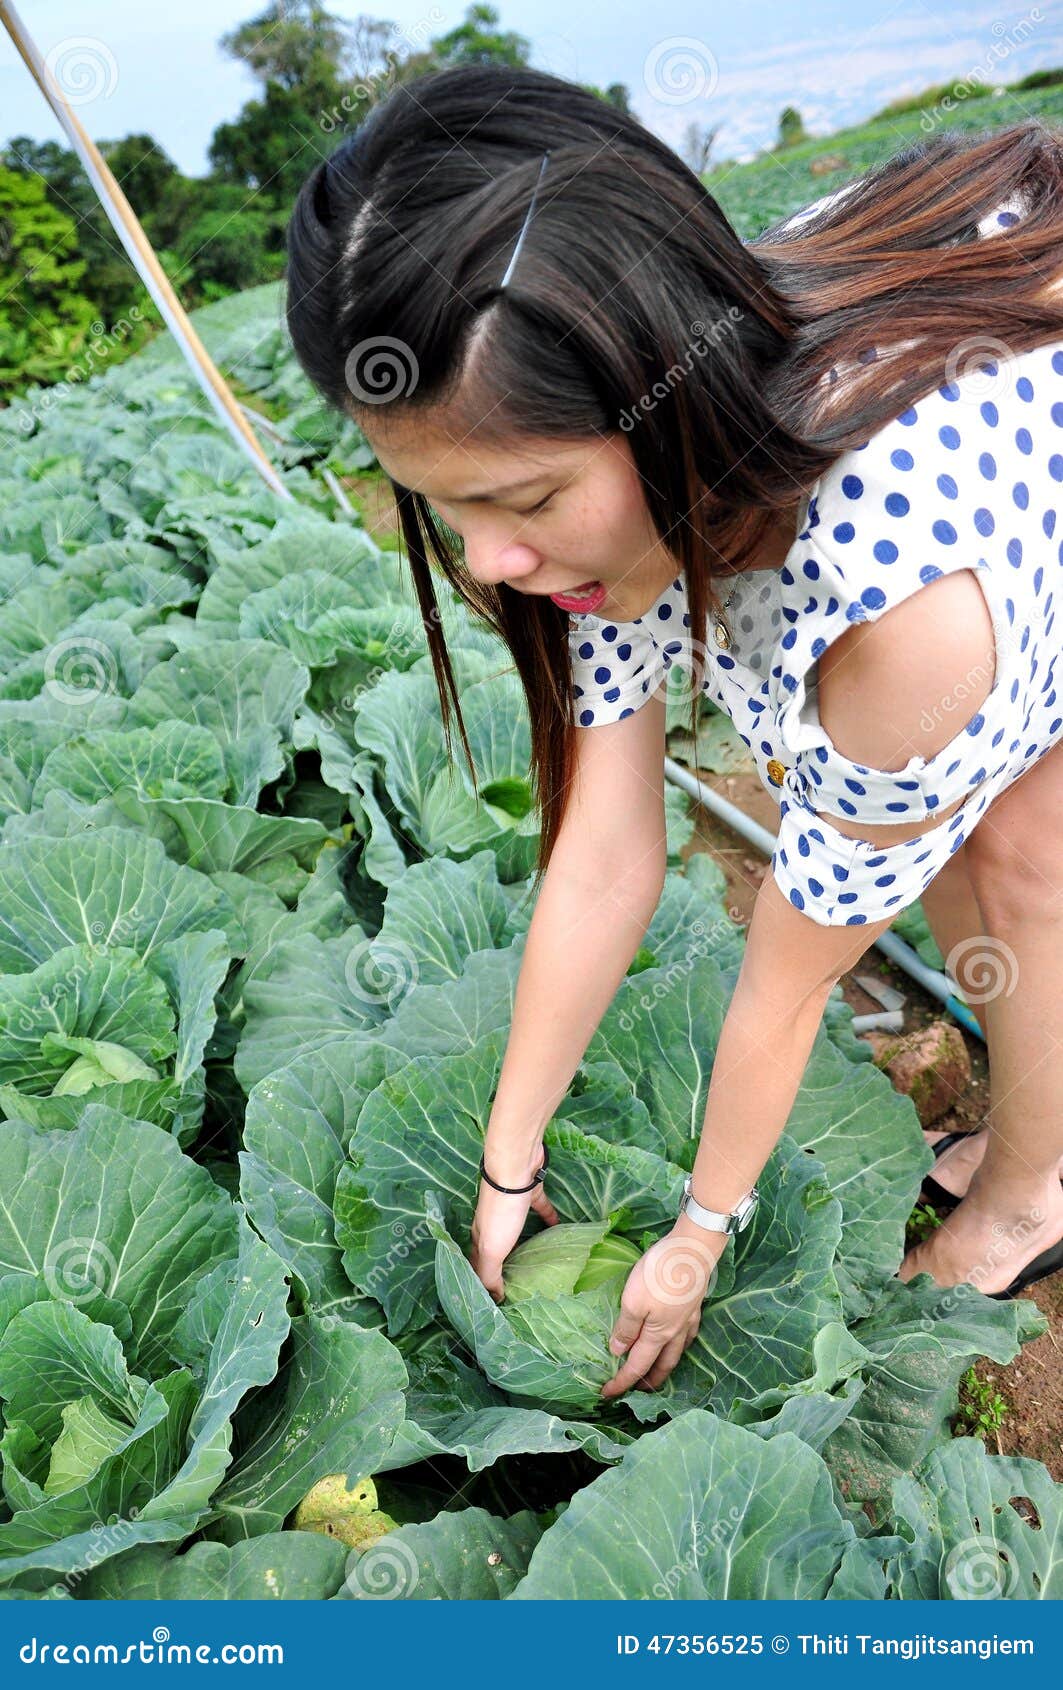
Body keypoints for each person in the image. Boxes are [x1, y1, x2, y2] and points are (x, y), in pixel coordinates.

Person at [286, 62, 1063, 1396]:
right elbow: (604, 851)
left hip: (1001, 498)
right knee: (1019, 830)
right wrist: (507, 1152)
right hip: (990, 462)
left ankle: (1024, 1201)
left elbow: (789, 971)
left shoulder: (906, 613)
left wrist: (699, 1238)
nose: (491, 558)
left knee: (1026, 856)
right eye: (447, 509)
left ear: (653, 396)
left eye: (521, 497)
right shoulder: (610, 447)